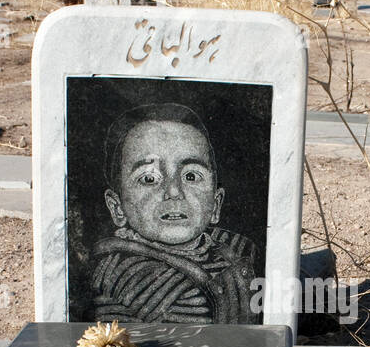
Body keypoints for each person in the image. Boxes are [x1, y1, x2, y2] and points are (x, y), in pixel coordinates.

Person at [88, 102, 258, 324]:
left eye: (191, 176)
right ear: (117, 207)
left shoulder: (238, 249)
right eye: (148, 178)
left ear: (216, 204)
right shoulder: (129, 281)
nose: (174, 191)